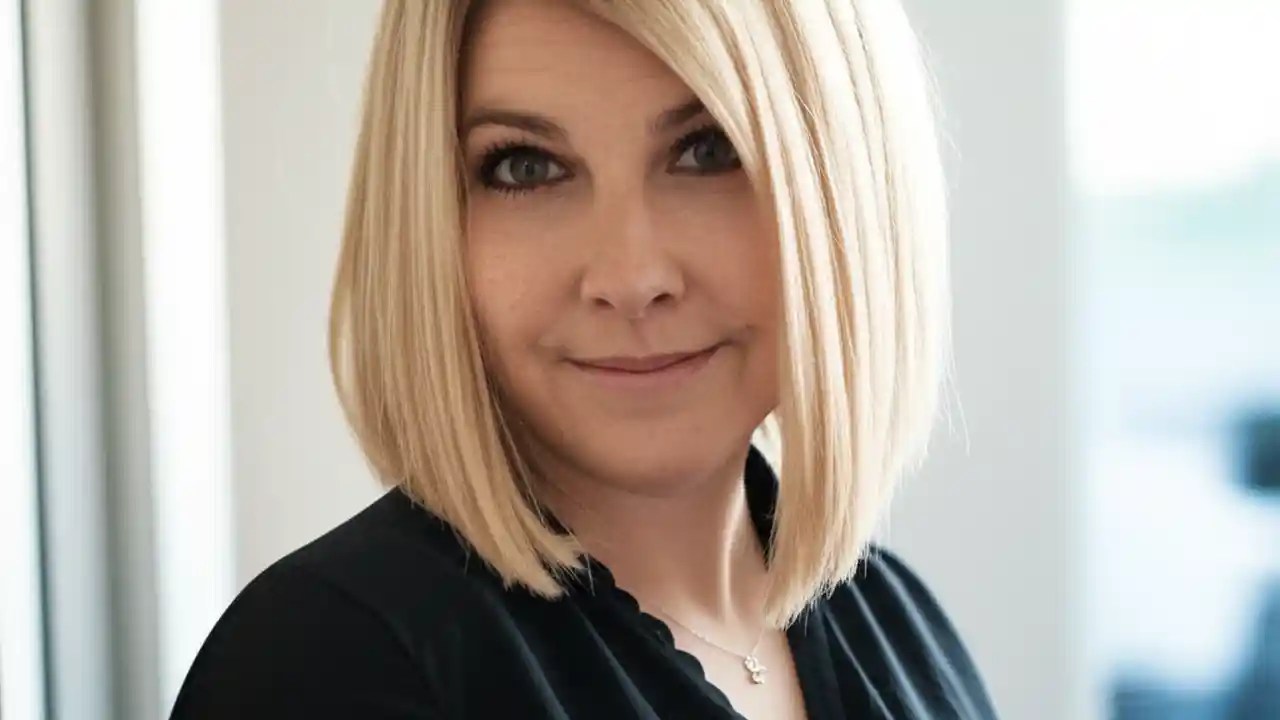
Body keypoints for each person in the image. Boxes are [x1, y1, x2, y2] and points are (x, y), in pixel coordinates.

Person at [170, 0, 999, 717]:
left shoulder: (896, 620)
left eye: (708, 150)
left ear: (840, 188)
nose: (630, 278)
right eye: (526, 168)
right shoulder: (326, 664)